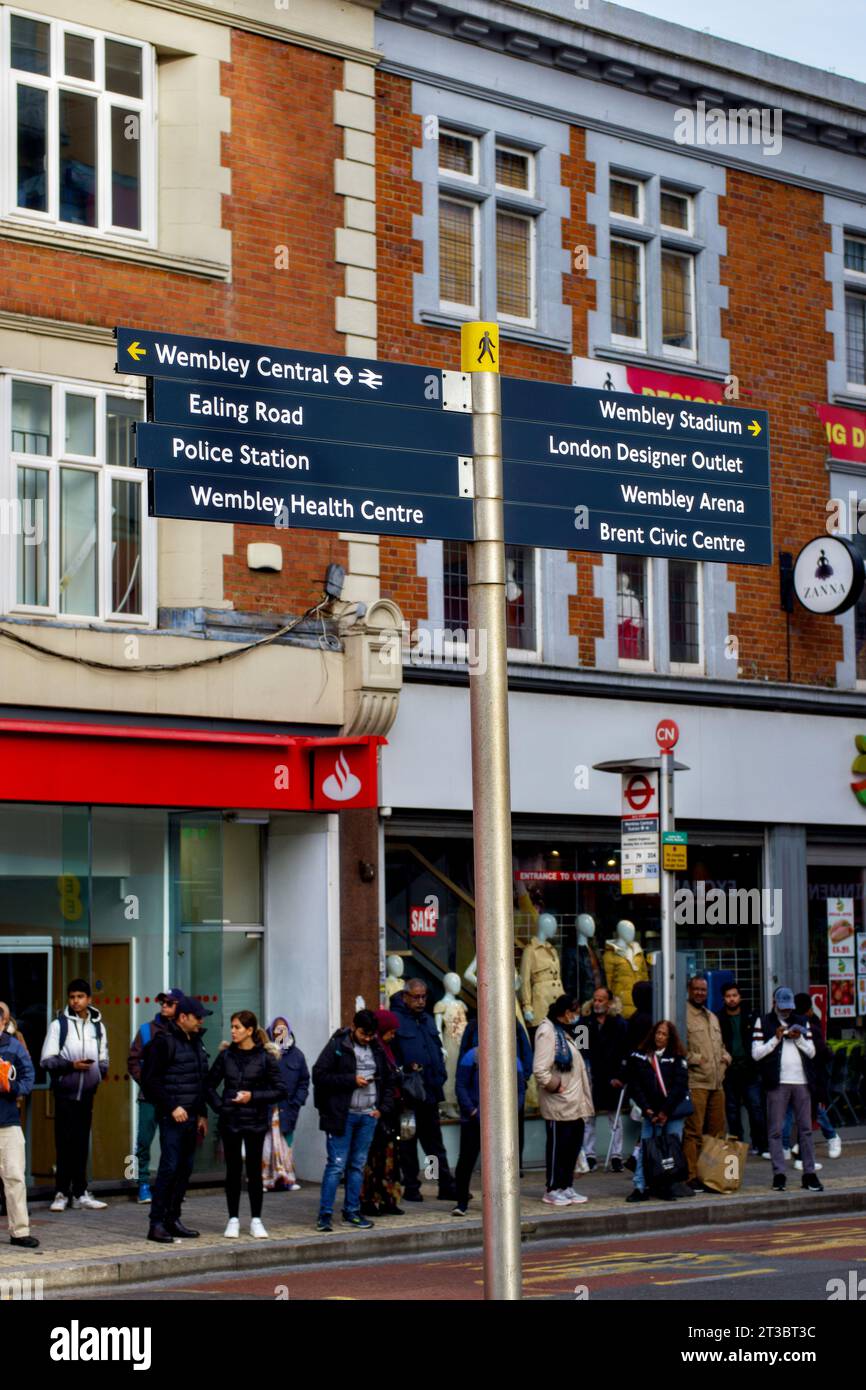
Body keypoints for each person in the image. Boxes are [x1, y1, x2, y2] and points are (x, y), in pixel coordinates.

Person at [312, 1008, 396, 1233]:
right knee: (337, 1165)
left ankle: (352, 1212)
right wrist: (351, 1080)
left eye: (371, 1035)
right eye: (363, 1034)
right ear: (353, 1027)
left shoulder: (377, 1047)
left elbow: (389, 1080)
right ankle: (325, 1216)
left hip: (368, 1115)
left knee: (357, 1165)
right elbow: (318, 1075)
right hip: (342, 1115)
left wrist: (382, 1109)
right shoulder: (339, 1045)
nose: (367, 1038)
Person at [207, 1010, 287, 1239]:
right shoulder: (226, 1056)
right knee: (232, 1171)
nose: (232, 1031)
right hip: (230, 1120)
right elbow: (209, 1085)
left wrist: (252, 1096)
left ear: (249, 1030)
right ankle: (232, 1219)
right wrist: (221, 1107)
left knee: (254, 1171)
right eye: (231, 1027)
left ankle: (256, 1220)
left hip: (255, 1121)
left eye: (237, 1027)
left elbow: (281, 1089)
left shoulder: (265, 1057)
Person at [141, 995, 211, 1243]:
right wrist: (172, 1107)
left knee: (185, 1169)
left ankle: (173, 1218)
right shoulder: (164, 1043)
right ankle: (156, 1223)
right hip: (173, 1117)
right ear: (183, 1017)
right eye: (197, 1017)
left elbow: (199, 1081)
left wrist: (202, 1113)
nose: (201, 1021)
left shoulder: (196, 1042)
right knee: (169, 1168)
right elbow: (150, 1081)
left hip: (192, 1117)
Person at [40, 979, 109, 1213]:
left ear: (89, 999)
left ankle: (80, 1192)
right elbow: (46, 1060)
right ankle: (61, 1193)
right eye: (72, 997)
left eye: (80, 996)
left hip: (87, 1094)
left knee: (81, 1144)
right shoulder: (59, 1025)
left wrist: (99, 1073)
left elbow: (104, 1056)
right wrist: (71, 1065)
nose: (76, 1001)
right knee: (64, 1143)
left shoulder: (98, 1026)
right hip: (65, 1093)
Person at [391, 979, 457, 1203]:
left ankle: (441, 1184)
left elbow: (436, 1050)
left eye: (423, 997)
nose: (420, 1001)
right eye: (416, 997)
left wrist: (440, 1076)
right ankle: (411, 1187)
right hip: (407, 1097)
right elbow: (392, 1058)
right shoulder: (397, 1021)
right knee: (407, 1143)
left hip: (429, 1092)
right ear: (405, 997)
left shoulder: (427, 1019)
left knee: (433, 1144)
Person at [752, 986, 822, 1192]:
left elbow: (812, 1052)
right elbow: (756, 1054)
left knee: (806, 1130)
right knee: (774, 1130)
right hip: (777, 1081)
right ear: (774, 1003)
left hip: (801, 1081)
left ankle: (809, 1174)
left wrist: (798, 1038)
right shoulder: (763, 1022)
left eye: (789, 1008)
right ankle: (779, 1174)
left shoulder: (802, 1021)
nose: (786, 1012)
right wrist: (776, 1038)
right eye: (782, 1008)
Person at [452, 1031, 527, 1217]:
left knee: (502, 1163)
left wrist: (510, 1114)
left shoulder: (512, 1059)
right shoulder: (473, 1056)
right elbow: (460, 1085)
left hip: (501, 1120)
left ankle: (500, 1202)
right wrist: (472, 1110)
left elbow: (519, 1090)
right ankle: (461, 1202)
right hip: (474, 1119)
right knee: (466, 1161)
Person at [533, 994, 594, 1206]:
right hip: (559, 1102)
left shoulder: (564, 1032)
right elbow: (540, 1070)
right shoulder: (547, 1031)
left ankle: (566, 1186)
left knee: (572, 1147)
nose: (576, 1016)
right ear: (565, 1012)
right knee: (558, 1148)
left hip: (574, 1103)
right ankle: (553, 1188)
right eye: (574, 1012)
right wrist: (556, 1086)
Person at [127, 989, 183, 1204]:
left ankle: (169, 1186)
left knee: (171, 1143)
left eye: (169, 1003)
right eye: (162, 1002)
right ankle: (142, 1183)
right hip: (149, 1097)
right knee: (143, 1141)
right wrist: (148, 1083)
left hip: (174, 1098)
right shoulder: (146, 1030)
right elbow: (132, 1061)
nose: (164, 1006)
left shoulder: (182, 1030)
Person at [626, 1019, 692, 1202]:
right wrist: (647, 1109)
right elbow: (636, 1085)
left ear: (670, 1038)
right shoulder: (642, 1056)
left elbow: (680, 1086)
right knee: (645, 1149)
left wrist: (664, 1112)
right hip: (650, 1113)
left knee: (669, 1152)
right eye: (657, 1033)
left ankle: (665, 1186)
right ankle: (640, 1186)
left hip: (671, 1112)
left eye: (664, 1034)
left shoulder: (677, 1056)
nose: (659, 1037)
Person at [458, 1013, 533, 1172]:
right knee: (472, 1148)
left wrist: (523, 1077)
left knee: (511, 1139)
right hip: (478, 1101)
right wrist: (471, 1108)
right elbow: (462, 1066)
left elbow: (525, 1049)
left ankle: (512, 1170)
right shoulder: (473, 1027)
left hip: (508, 1096)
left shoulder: (512, 1022)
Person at [683, 975, 731, 1190]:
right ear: (689, 990)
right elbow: (679, 1049)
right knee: (693, 1132)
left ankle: (711, 1175)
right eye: (696, 989)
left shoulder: (712, 1016)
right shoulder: (683, 1014)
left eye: (703, 989)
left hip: (717, 1083)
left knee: (716, 1133)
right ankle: (691, 1176)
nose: (700, 993)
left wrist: (726, 1058)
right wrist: (696, 1060)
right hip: (697, 1083)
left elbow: (720, 1046)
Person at [786, 993, 841, 1165]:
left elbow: (819, 1053)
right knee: (801, 1112)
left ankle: (828, 1138)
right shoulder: (801, 1023)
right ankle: (793, 1147)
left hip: (810, 1077)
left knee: (810, 1111)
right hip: (797, 1075)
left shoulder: (810, 1026)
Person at [360, 1008, 404, 1217]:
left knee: (389, 1158)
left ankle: (389, 1198)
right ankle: (370, 1199)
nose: (393, 1035)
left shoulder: (387, 1049)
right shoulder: (375, 1050)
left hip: (390, 1110)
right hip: (374, 1111)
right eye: (391, 1031)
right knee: (372, 1158)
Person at [0, 1004, 38, 1247]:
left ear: (3, 1023)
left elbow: (29, 1076)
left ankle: (20, 1231)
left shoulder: (13, 1046)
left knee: (15, 1177)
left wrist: (13, 1088)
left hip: (7, 1122)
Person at [715, 982, 767, 1157]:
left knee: (756, 1108)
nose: (731, 999)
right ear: (723, 998)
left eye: (734, 995)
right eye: (728, 996)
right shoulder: (718, 1018)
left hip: (750, 1069)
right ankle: (737, 1146)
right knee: (732, 1110)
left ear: (740, 997)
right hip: (729, 1071)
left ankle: (760, 1144)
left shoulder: (752, 1016)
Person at [582, 988, 628, 1171]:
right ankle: (590, 1155)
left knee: (614, 1117)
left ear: (609, 1002)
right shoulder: (584, 1023)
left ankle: (616, 1155)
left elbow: (626, 1051)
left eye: (601, 1000)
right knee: (588, 1117)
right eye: (595, 999)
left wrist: (621, 1076)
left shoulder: (620, 1024)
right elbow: (580, 1051)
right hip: (592, 1076)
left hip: (612, 1077)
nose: (597, 1003)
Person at [263, 1017, 309, 1191]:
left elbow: (304, 1081)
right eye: (277, 1029)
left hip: (288, 1108)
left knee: (286, 1145)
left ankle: (286, 1179)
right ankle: (265, 1180)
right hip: (267, 1107)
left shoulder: (297, 1055)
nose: (280, 1032)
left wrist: (297, 1101)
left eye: (283, 1029)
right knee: (266, 1146)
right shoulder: (264, 1052)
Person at [621, 979, 654, 1172]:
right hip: (647, 1074)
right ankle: (638, 1156)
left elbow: (626, 1049)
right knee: (650, 1118)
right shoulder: (651, 1017)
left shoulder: (633, 1019)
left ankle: (637, 1155)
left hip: (636, 1073)